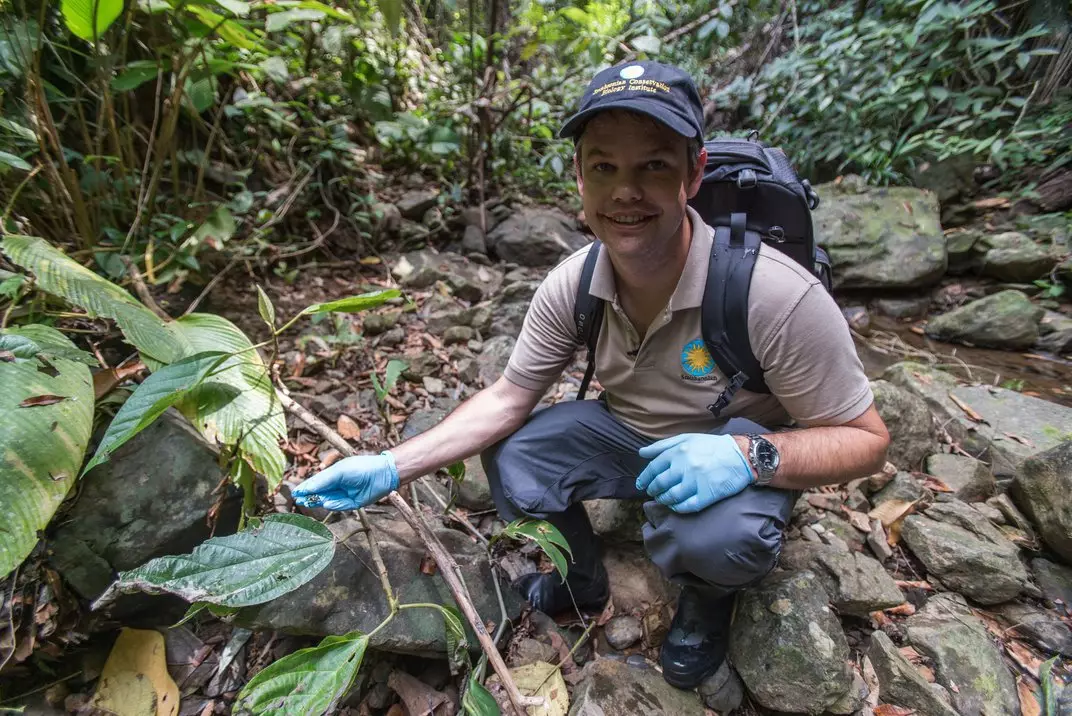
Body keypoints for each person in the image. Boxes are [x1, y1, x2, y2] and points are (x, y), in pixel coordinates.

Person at [293, 60, 890, 690]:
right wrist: (389, 467)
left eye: (653, 165)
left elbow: (867, 440)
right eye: (603, 166)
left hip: (731, 446)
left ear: (694, 172)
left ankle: (707, 598)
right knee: (515, 454)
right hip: (627, 432)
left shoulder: (772, 294)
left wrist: (751, 457)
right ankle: (580, 579)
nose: (624, 192)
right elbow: (507, 398)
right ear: (579, 178)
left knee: (718, 540)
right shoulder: (574, 283)